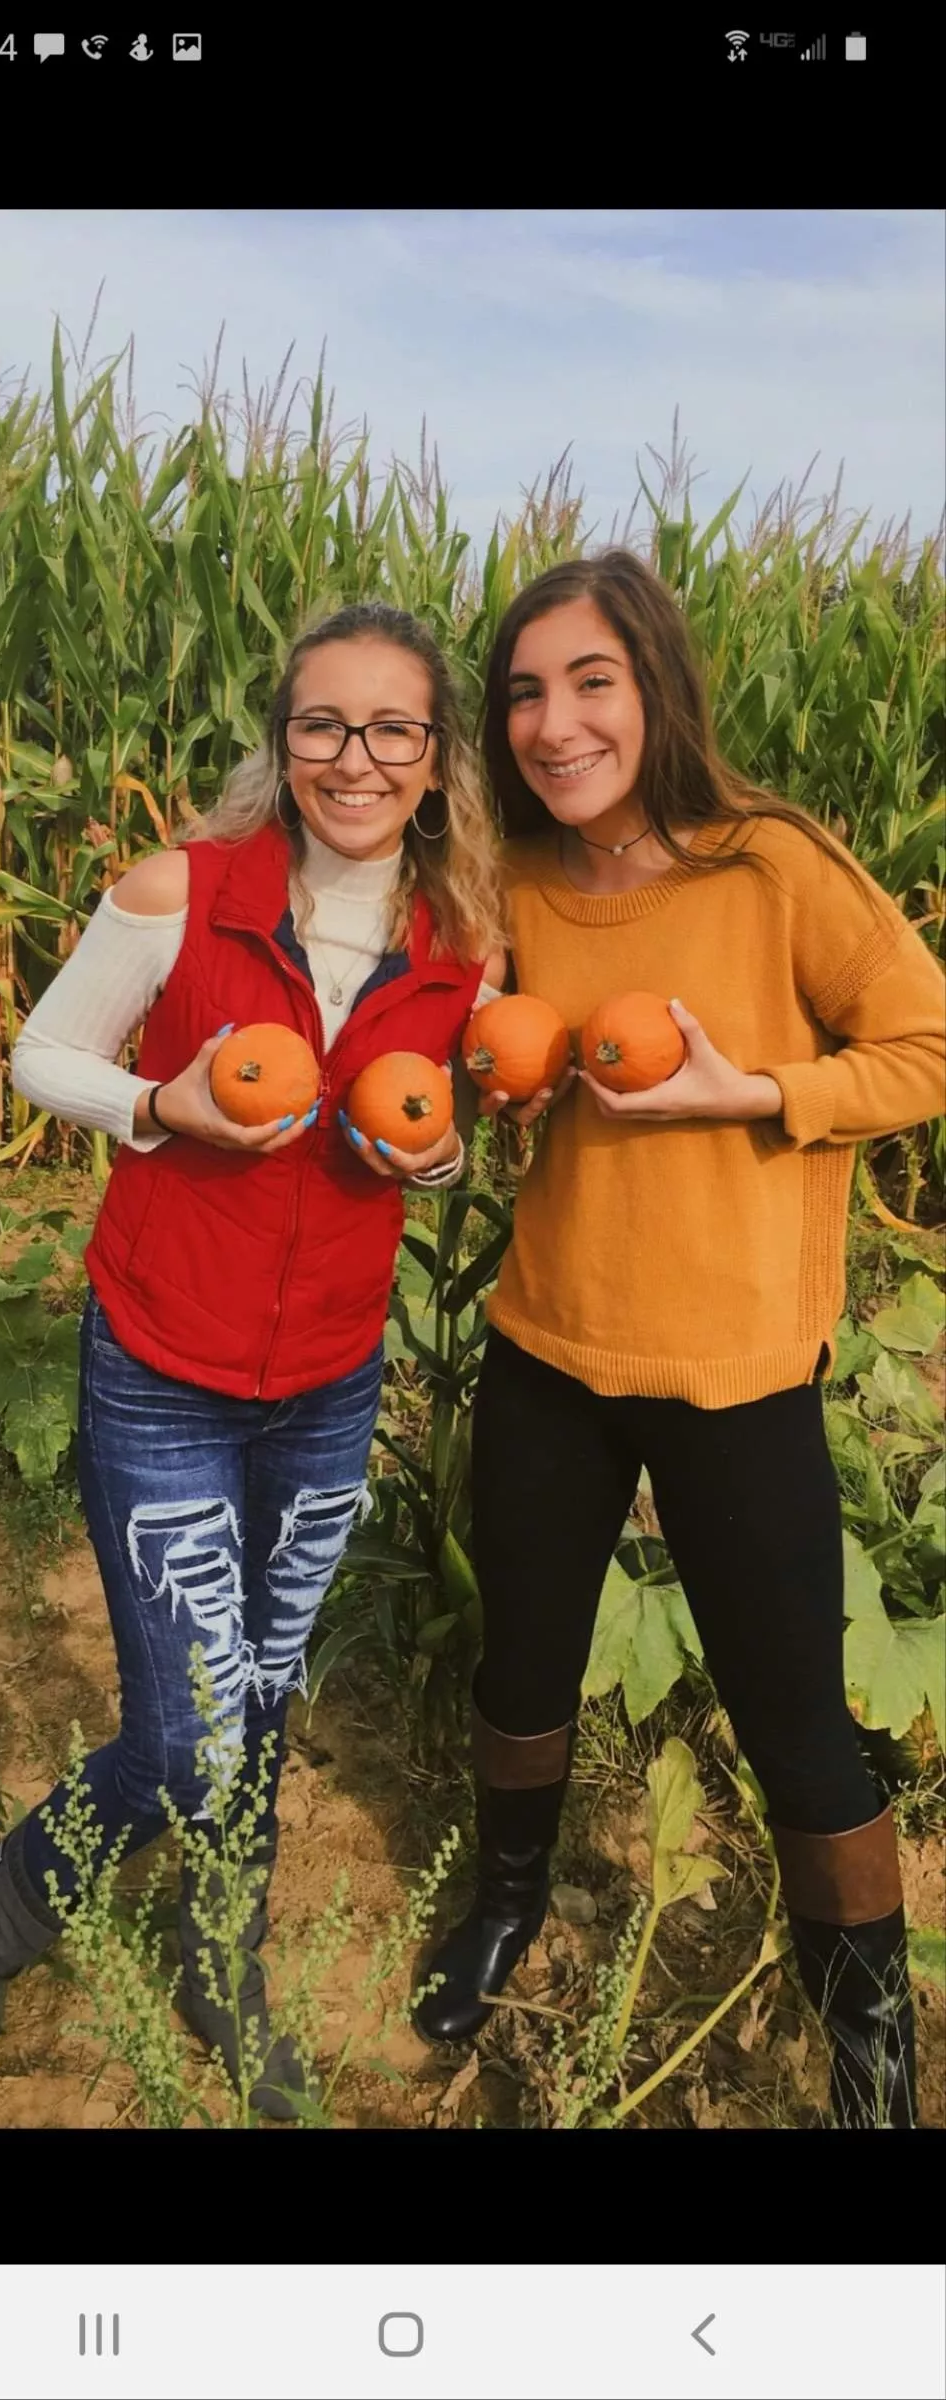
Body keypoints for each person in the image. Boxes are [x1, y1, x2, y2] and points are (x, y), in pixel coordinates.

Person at [0, 602, 504, 2119]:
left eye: (393, 728)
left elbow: (444, 1124)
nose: (356, 758)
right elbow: (41, 1054)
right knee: (190, 1733)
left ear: (436, 757)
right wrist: (159, 1107)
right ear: (282, 737)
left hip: (327, 1379)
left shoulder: (461, 941)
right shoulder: (181, 892)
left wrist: (435, 1156)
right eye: (324, 723)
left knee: (261, 1690)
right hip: (164, 1363)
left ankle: (220, 1963)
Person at [413, 552, 944, 2130]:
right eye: (524, 692)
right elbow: (484, 1060)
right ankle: (508, 1904)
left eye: (592, 682)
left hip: (736, 1371)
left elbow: (924, 1041)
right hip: (550, 1343)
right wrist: (479, 1084)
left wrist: (758, 1092)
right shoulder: (513, 878)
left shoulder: (770, 865)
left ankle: (867, 2046)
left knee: (795, 1716)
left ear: (656, 686)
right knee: (522, 1661)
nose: (555, 722)